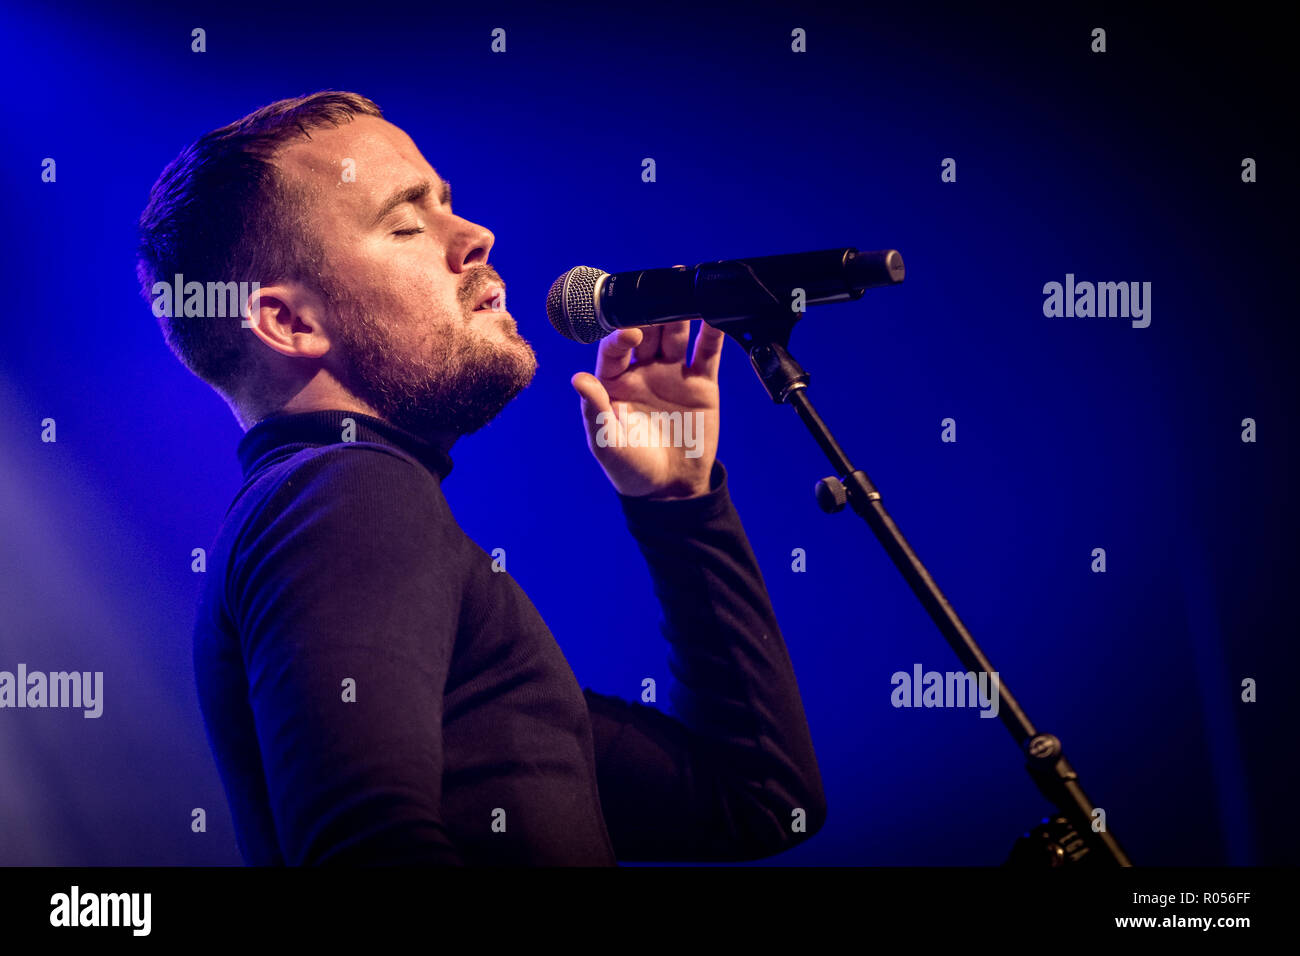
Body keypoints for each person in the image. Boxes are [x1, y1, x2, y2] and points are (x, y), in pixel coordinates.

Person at [136, 91, 826, 865]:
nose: (474, 236)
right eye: (405, 222)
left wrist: (680, 504)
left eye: (448, 204)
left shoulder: (327, 509)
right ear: (290, 323)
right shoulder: (343, 492)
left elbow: (762, 801)